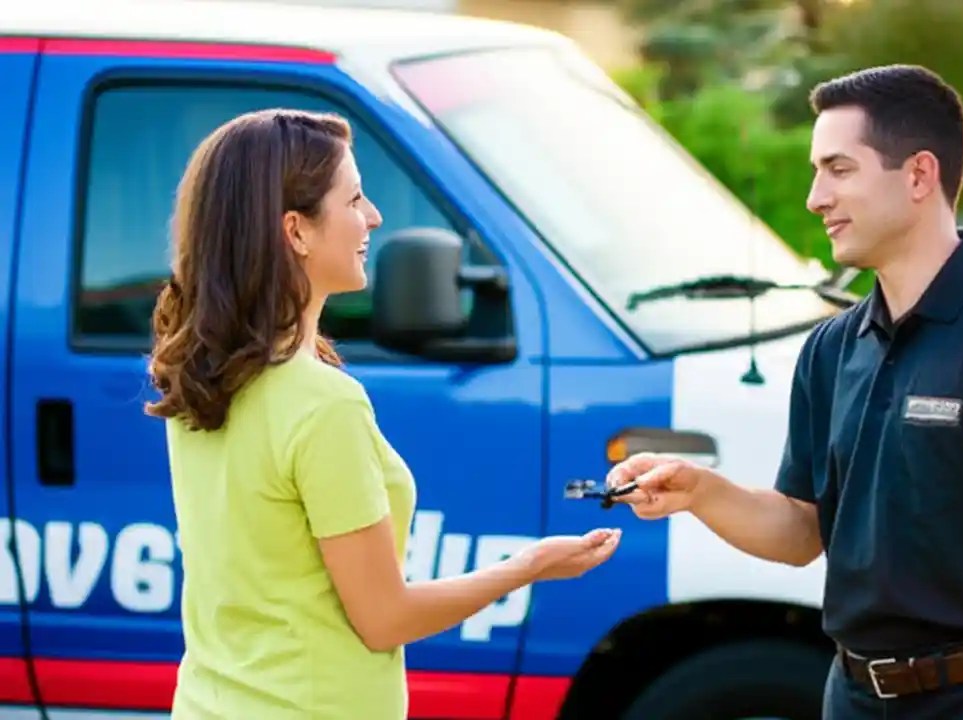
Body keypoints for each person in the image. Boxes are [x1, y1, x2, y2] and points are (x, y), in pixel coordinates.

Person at [606, 65, 963, 719]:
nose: (817, 196)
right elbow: (801, 530)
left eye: (839, 170)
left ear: (919, 175)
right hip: (850, 697)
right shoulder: (831, 348)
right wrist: (700, 491)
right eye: (818, 171)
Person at [144, 108, 621, 720]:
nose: (374, 217)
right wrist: (528, 567)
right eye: (355, 199)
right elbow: (384, 618)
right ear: (297, 230)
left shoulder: (201, 375)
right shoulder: (322, 402)